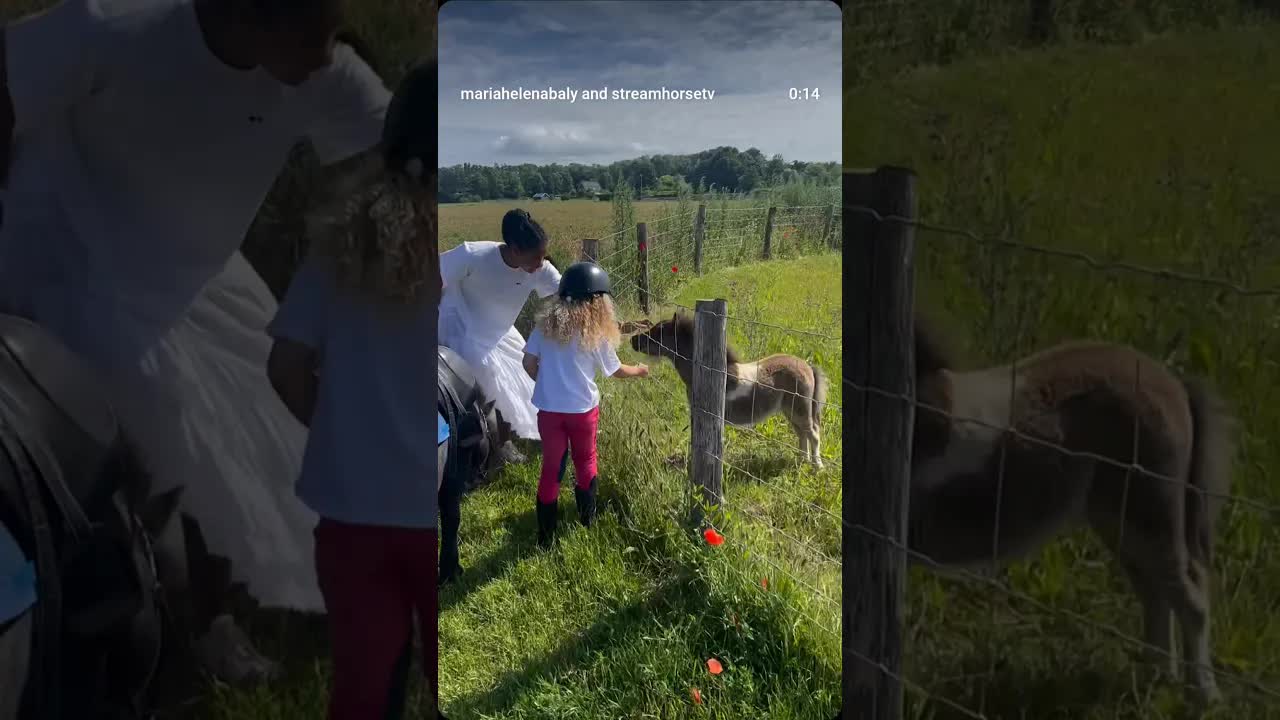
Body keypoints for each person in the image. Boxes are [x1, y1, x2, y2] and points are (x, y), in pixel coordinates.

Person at [0, 0, 393, 680]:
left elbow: (402, 158)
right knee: (155, 427)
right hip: (68, 249)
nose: (328, 52)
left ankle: (187, 604)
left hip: (185, 276)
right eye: (310, 31)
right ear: (251, 19)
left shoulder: (320, 72)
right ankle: (160, 617)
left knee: (252, 427)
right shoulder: (115, 28)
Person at [265, 58, 438, 720]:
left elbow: (286, 365)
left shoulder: (337, 249)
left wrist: (343, 429)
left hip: (351, 514)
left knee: (363, 691)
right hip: (438, 513)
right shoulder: (467, 260)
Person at [521, 262, 648, 546]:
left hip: (550, 412)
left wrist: (546, 380)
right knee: (586, 460)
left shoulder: (543, 329)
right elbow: (615, 371)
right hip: (583, 412)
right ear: (595, 301)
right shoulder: (596, 335)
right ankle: (587, 522)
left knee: (552, 467)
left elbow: (528, 362)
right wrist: (640, 370)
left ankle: (545, 538)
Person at [438, 208, 562, 461]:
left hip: (498, 332)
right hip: (461, 326)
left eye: (543, 256)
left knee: (524, 376)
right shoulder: (474, 254)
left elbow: (566, 290)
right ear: (515, 250)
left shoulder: (539, 269)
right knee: (486, 379)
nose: (541, 264)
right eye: (535, 257)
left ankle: (504, 437)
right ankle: (494, 446)